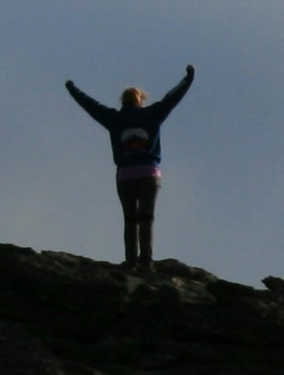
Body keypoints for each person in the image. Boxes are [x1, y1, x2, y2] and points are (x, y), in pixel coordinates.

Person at [66, 65, 193, 269]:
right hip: (149, 173)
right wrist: (188, 79)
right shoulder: (153, 114)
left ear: (122, 101)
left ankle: (131, 260)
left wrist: (72, 89)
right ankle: (146, 261)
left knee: (130, 219)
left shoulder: (113, 118)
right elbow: (172, 99)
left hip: (125, 175)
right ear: (140, 100)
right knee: (146, 218)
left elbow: (90, 104)